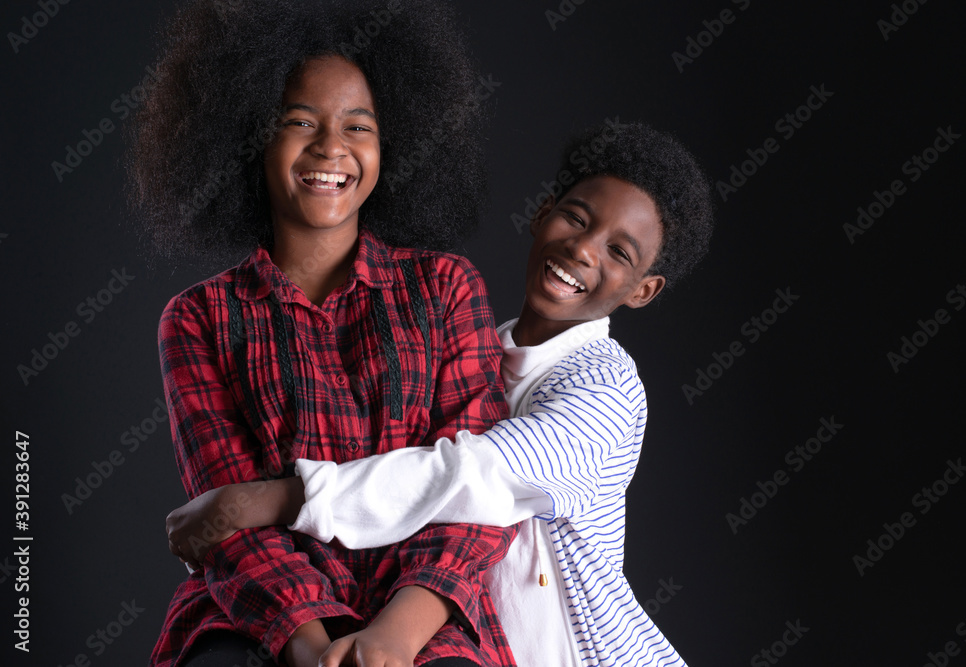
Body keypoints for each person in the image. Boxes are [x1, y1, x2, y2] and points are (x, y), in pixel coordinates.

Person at [167, 122, 714, 666]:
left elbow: (474, 476)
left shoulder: (606, 390)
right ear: (542, 213)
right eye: (576, 218)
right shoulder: (479, 348)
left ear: (644, 290)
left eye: (619, 252)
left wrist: (269, 499)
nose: (584, 249)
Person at [127, 1, 519, 666]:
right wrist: (312, 651)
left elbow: (477, 491)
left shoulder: (447, 288)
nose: (331, 147)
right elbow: (228, 526)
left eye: (357, 126)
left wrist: (393, 638)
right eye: (300, 121)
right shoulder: (198, 318)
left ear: (390, 145)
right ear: (250, 138)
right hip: (264, 615)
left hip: (423, 614)